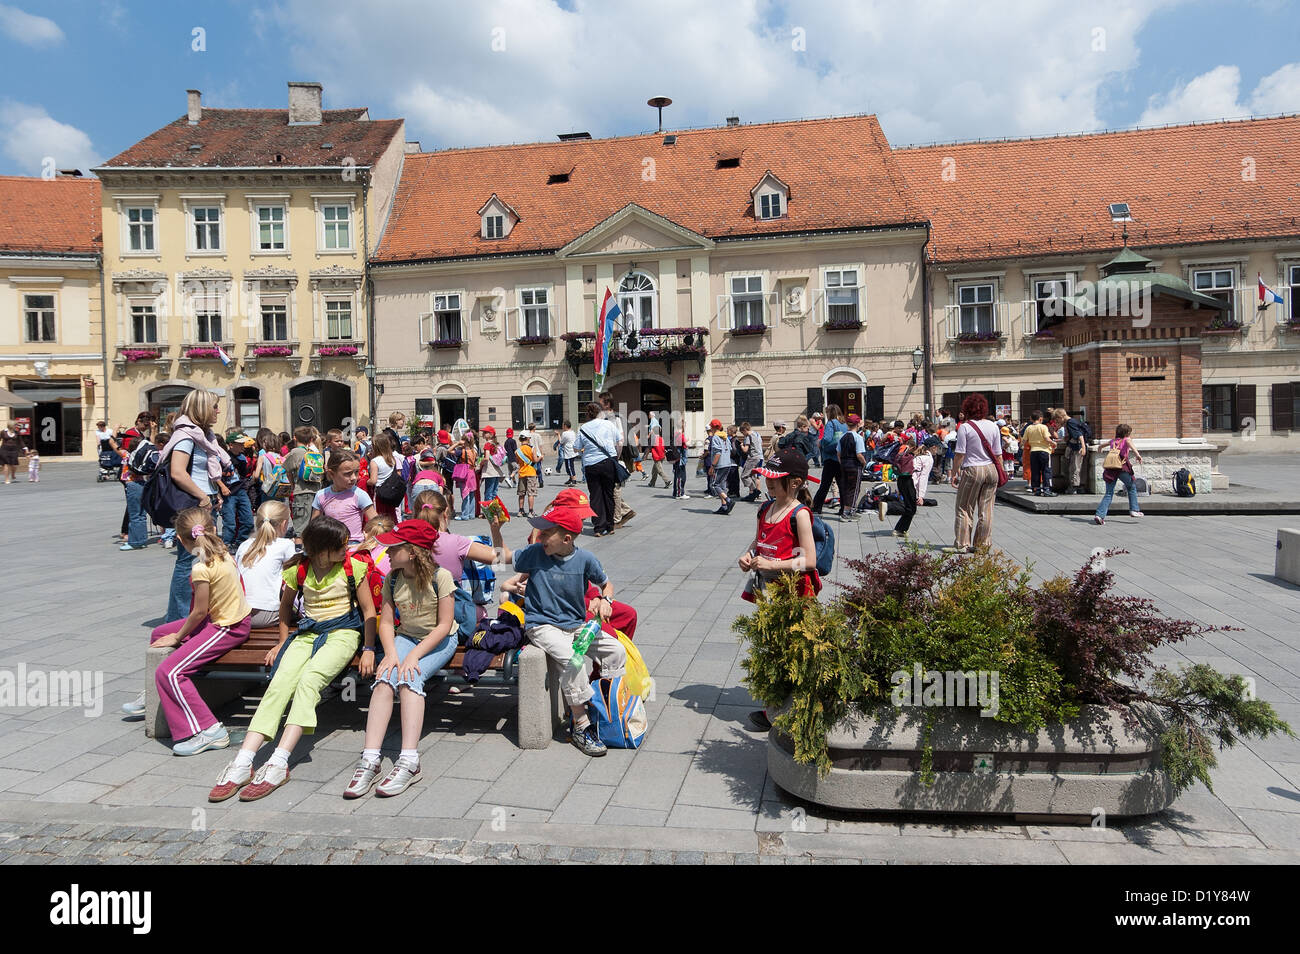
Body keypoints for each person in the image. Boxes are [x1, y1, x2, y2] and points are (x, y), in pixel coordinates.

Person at [208, 516, 377, 803]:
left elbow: (369, 612)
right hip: (308, 633)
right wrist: (282, 643)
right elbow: (285, 609)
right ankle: (243, 760)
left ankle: (279, 761)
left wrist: (370, 649)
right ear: (321, 549)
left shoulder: (353, 567)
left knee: (309, 681)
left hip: (343, 633)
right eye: (341, 545)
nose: (347, 548)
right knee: (279, 684)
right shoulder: (299, 569)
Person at [493, 488, 624, 757]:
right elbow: (499, 559)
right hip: (542, 625)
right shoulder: (534, 553)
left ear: (566, 538)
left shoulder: (585, 559)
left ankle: (608, 710)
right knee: (572, 659)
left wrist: (605, 599)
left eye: (545, 532)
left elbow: (607, 583)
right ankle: (581, 725)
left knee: (616, 650)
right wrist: (495, 529)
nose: (539, 536)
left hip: (576, 624)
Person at [344, 519, 457, 799]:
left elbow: (444, 625)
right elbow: (385, 622)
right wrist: (392, 653)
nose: (388, 553)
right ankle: (370, 759)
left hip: (439, 640)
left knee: (410, 678)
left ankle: (409, 761)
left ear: (413, 552)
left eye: (394, 548)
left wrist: (413, 657)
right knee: (384, 679)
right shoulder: (393, 577)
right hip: (406, 636)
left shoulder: (441, 577)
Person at [140, 507, 252, 756]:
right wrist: (174, 634)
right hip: (228, 620)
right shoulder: (222, 551)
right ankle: (154, 693)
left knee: (169, 673)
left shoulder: (201, 567)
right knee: (159, 633)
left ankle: (209, 730)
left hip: (227, 627)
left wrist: (179, 637)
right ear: (211, 530)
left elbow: (200, 612)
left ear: (180, 539)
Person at [737, 448, 820, 732]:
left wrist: (772, 564)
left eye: (775, 479)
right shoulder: (766, 508)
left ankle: (795, 711)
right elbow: (759, 540)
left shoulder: (800, 514)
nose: (769, 483)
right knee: (773, 649)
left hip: (795, 595)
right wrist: (748, 555)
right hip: (770, 592)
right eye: (767, 477)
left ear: (794, 483)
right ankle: (774, 708)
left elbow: (810, 561)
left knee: (794, 651)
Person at [156, 390, 231, 623]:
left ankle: (190, 613)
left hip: (203, 500)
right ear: (202, 408)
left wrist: (213, 492)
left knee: (200, 558)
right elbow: (177, 472)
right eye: (214, 406)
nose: (218, 410)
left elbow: (201, 471)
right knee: (188, 560)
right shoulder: (187, 436)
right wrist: (203, 496)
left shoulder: (203, 436)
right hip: (193, 504)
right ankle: (178, 617)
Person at [947, 394, 1001, 553]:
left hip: (973, 469)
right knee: (987, 509)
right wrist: (1001, 472)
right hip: (991, 469)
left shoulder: (965, 427)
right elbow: (998, 453)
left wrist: (954, 473)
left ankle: (962, 544)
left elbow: (960, 454)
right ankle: (982, 545)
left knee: (964, 508)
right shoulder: (993, 426)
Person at [236, 501, 295, 628]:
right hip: (266, 614)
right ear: (284, 524)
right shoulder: (286, 545)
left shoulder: (244, 545)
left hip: (239, 613)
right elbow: (294, 576)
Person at [574, 402, 622, 537]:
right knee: (609, 494)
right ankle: (610, 525)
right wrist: (616, 458)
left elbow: (576, 447)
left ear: (588, 414)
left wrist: (583, 451)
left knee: (595, 496)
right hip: (608, 462)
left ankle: (598, 528)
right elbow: (619, 441)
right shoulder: (609, 424)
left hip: (591, 464)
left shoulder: (583, 428)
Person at [314, 448, 377, 544]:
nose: (354, 478)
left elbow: (376, 522)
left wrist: (369, 537)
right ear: (331, 474)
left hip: (353, 544)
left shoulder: (359, 495)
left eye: (356, 472)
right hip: (331, 544)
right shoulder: (321, 495)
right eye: (347, 474)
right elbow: (314, 525)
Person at [1094, 424, 1145, 525]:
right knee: (1131, 487)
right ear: (1126, 433)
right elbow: (1133, 447)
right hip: (1122, 468)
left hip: (1111, 469)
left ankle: (1099, 515)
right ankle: (1134, 510)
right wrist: (1138, 455)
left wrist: (1099, 449)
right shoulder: (1127, 440)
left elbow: (1101, 446)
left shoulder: (1113, 441)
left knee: (1108, 493)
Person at [598, 391, 634, 527]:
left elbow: (621, 440)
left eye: (600, 401)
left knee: (615, 489)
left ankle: (617, 518)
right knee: (607, 488)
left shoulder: (615, 418)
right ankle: (625, 510)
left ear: (607, 403)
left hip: (613, 458)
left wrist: (615, 459)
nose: (599, 404)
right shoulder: (602, 418)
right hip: (605, 458)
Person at [284, 426, 324, 544]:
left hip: (301, 491)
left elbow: (286, 469)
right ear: (311, 439)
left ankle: (298, 554)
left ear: (295, 438)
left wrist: (292, 485)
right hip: (316, 492)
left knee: (300, 528)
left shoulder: (295, 452)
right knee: (314, 526)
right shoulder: (313, 452)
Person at [811, 405, 847, 514]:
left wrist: (820, 443)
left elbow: (827, 438)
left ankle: (817, 507)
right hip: (841, 457)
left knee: (825, 484)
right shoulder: (844, 424)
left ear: (830, 413)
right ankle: (844, 508)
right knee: (841, 485)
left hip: (830, 457)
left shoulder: (831, 424)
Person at [367, 434, 405, 523]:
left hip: (380, 493)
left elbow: (373, 481)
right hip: (391, 492)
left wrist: (365, 481)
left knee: (381, 517)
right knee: (391, 516)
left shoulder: (375, 461)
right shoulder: (391, 459)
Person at [838, 414, 866, 521]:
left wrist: (842, 463)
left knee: (845, 488)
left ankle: (845, 510)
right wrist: (864, 463)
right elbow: (859, 454)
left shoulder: (842, 436)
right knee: (854, 489)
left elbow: (838, 453)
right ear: (858, 424)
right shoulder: (858, 437)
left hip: (844, 464)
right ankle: (850, 512)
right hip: (854, 464)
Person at [1022, 411, 1057, 497]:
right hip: (1044, 451)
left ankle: (1036, 489)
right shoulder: (1043, 427)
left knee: (1035, 471)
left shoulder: (1028, 428)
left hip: (1033, 451)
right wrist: (1053, 443)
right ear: (1040, 419)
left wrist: (1021, 446)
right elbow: (1046, 438)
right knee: (1046, 470)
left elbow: (1024, 440)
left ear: (1031, 419)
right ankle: (1047, 489)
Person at [892, 435, 919, 539]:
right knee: (911, 507)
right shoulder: (904, 450)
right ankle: (900, 529)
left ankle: (901, 529)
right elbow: (900, 458)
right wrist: (909, 451)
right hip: (905, 480)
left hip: (905, 479)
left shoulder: (905, 450)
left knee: (911, 506)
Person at [708, 418, 735, 514]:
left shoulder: (715, 437)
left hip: (720, 464)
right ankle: (724, 506)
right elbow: (730, 449)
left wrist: (712, 466)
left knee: (715, 485)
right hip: (728, 463)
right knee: (722, 484)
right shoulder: (725, 437)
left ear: (712, 427)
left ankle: (728, 500)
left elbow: (718, 453)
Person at [514, 432, 542, 517]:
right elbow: (535, 460)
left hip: (522, 473)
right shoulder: (532, 448)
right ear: (528, 438)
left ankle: (520, 511)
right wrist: (540, 457)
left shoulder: (517, 451)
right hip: (531, 472)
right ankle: (530, 511)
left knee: (521, 493)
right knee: (531, 493)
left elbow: (518, 462)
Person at [1062, 410, 1090, 494]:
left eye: (1057, 420)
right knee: (1080, 467)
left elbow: (1079, 435)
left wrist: (1083, 446)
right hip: (1080, 446)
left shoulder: (1070, 423)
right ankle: (1081, 486)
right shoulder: (1074, 421)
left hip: (1077, 447)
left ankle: (1074, 487)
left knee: (1074, 467)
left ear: (1061, 417)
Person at [738, 421, 764, 502]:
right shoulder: (757, 434)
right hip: (759, 457)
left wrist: (741, 445)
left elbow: (745, 450)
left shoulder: (748, 436)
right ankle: (752, 494)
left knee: (744, 476)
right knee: (752, 476)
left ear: (745, 430)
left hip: (752, 458)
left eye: (742, 432)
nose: (743, 434)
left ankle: (755, 490)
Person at [479, 425, 505, 504]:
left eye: (485, 432)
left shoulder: (487, 444)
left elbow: (486, 458)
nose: (483, 434)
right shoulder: (496, 444)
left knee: (488, 492)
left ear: (491, 434)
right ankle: (494, 511)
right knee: (494, 492)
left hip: (489, 471)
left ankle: (489, 512)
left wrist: (480, 464)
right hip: (496, 471)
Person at [646, 424, 671, 490]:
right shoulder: (661, 438)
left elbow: (649, 446)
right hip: (662, 456)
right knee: (654, 470)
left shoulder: (653, 439)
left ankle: (667, 481)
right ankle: (652, 483)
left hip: (657, 457)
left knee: (659, 470)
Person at [671, 425, 689, 499]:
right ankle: (680, 494)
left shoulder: (675, 436)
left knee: (677, 476)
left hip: (677, 460)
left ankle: (676, 493)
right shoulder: (679, 436)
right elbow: (685, 443)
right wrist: (687, 440)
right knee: (680, 477)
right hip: (680, 460)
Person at [558, 420, 579, 485]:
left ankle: (574, 480)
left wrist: (558, 434)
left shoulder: (565, 433)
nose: (562, 427)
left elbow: (561, 442)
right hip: (572, 451)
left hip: (569, 452)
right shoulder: (573, 432)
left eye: (563, 425)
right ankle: (571, 478)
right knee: (568, 466)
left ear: (565, 426)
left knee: (570, 466)